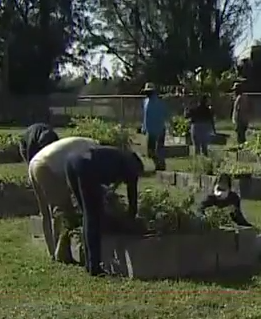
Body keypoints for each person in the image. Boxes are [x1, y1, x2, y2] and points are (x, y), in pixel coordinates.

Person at [65, 146, 144, 276]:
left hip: (72, 160)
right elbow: (132, 197)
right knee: (93, 216)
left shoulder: (119, 157)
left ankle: (89, 264)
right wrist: (131, 218)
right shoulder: (132, 168)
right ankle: (95, 268)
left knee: (88, 214)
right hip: (86, 166)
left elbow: (107, 184)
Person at [28, 135, 100, 263]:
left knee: (45, 212)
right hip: (45, 166)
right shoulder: (93, 150)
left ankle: (52, 251)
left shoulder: (85, 142)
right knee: (64, 211)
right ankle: (61, 254)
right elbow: (82, 171)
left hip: (35, 163)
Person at [142, 84, 168, 170]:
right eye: (147, 92)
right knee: (149, 152)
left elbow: (164, 114)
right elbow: (145, 116)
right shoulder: (145, 102)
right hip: (150, 130)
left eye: (150, 92)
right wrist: (144, 127)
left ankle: (161, 166)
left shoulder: (159, 102)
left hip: (159, 129)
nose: (148, 93)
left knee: (159, 150)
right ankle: (158, 163)